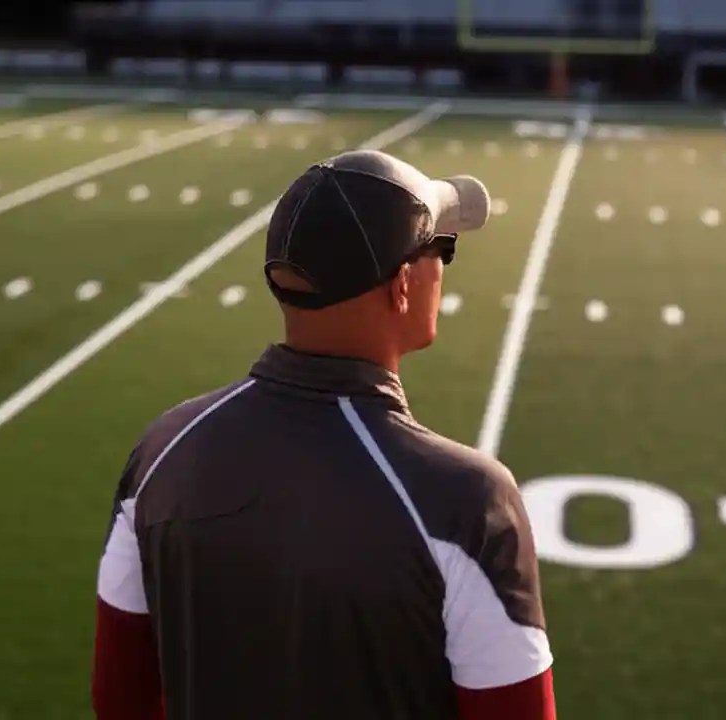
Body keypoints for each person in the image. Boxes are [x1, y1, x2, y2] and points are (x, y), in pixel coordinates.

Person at [92, 150, 556, 720]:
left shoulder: (163, 452)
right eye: (444, 249)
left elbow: (121, 697)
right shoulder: (466, 499)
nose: (444, 267)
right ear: (403, 284)